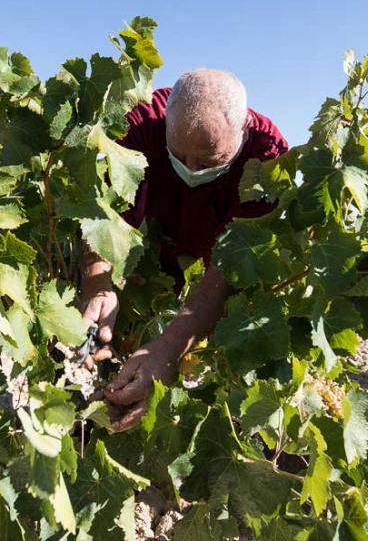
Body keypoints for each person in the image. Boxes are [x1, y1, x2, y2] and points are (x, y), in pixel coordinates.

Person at [79, 69, 288, 431]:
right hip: (153, 248)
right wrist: (98, 281)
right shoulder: (141, 123)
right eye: (177, 154)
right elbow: (99, 212)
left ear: (242, 133)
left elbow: (228, 272)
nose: (189, 170)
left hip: (212, 264)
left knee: (177, 345)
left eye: (207, 162)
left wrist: (171, 347)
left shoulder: (268, 161)